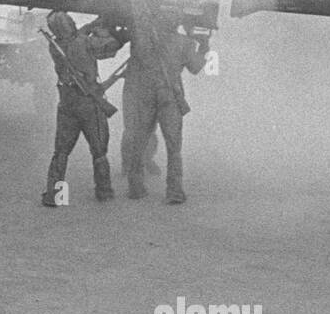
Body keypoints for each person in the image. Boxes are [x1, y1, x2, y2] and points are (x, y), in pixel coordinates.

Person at [121, 11, 208, 204]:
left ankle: (135, 187)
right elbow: (195, 68)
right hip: (170, 96)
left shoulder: (144, 39)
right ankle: (174, 190)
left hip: (146, 95)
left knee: (139, 140)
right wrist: (204, 46)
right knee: (174, 146)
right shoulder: (185, 43)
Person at [41, 11, 122, 205]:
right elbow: (111, 48)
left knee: (61, 151)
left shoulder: (55, 46)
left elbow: (74, 38)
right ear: (70, 24)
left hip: (67, 103)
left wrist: (91, 26)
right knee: (99, 151)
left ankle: (54, 196)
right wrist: (104, 31)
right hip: (89, 103)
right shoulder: (85, 42)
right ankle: (104, 191)